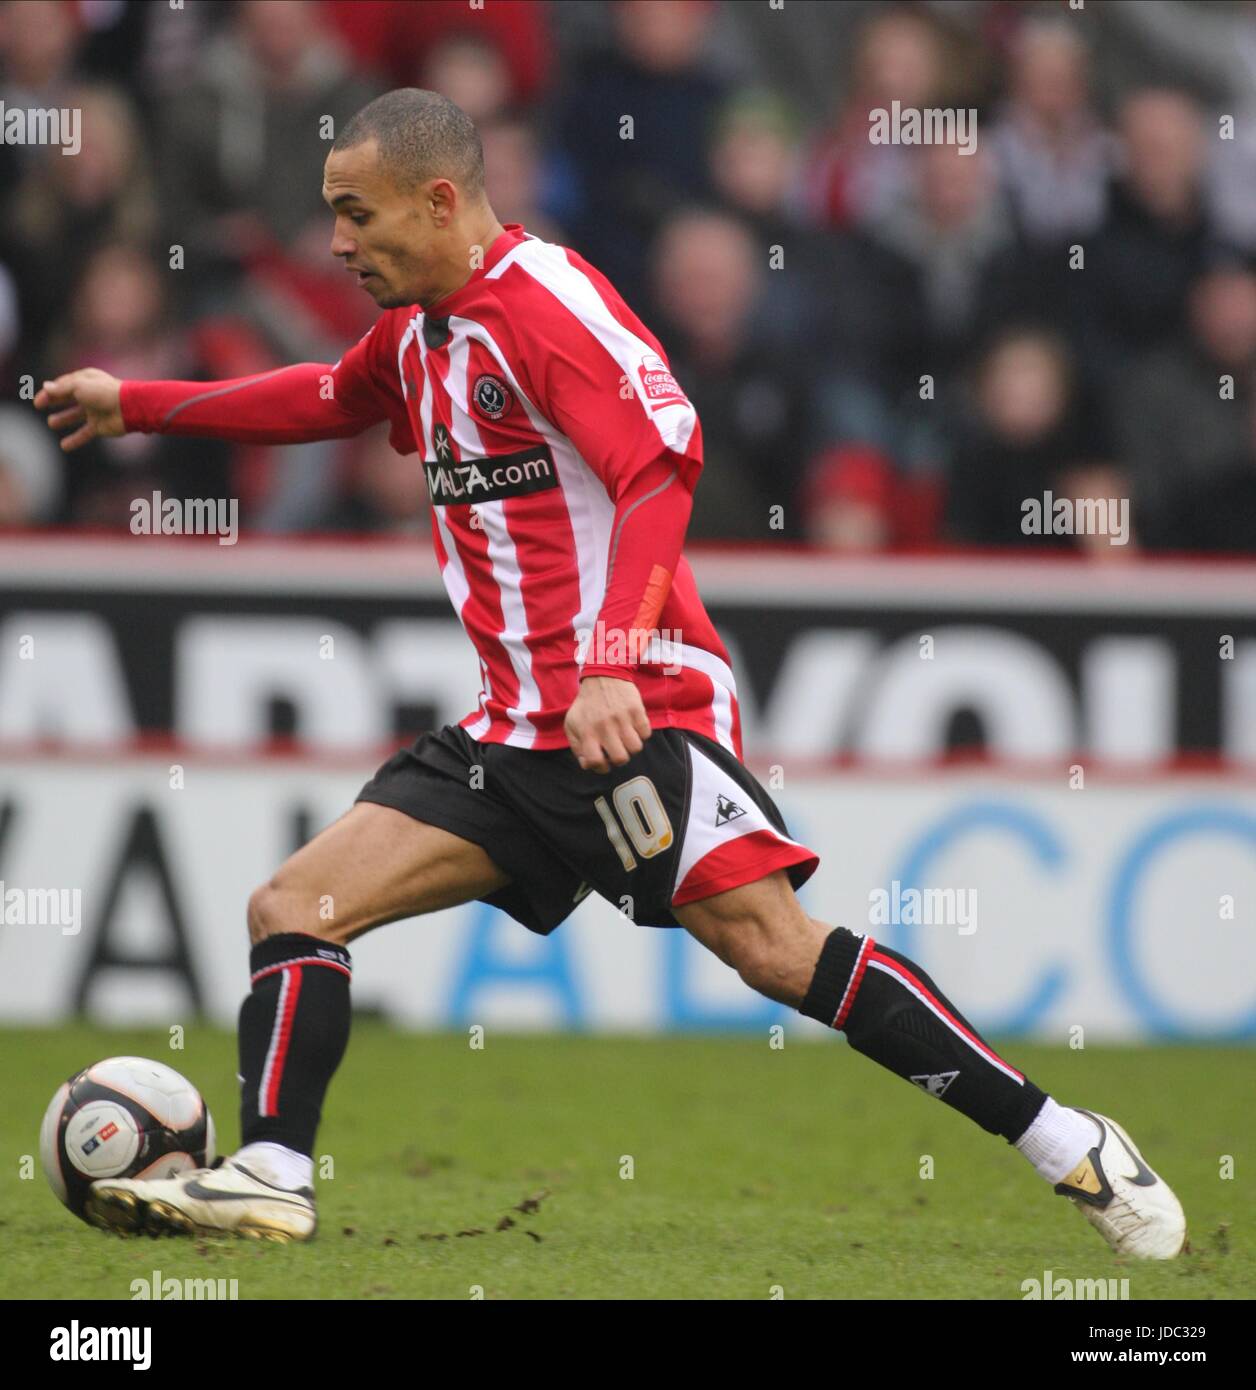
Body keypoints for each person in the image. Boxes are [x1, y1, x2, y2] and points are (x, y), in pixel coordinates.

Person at [35, 89, 1185, 1260]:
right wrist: (139, 405)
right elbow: (328, 395)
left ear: (438, 201)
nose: (337, 241)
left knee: (773, 948)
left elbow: (658, 468)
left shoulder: (546, 304)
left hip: (634, 708)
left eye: (356, 213)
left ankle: (1069, 1141)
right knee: (294, 906)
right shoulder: (423, 331)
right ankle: (276, 1173)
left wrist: (609, 665)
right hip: (511, 736)